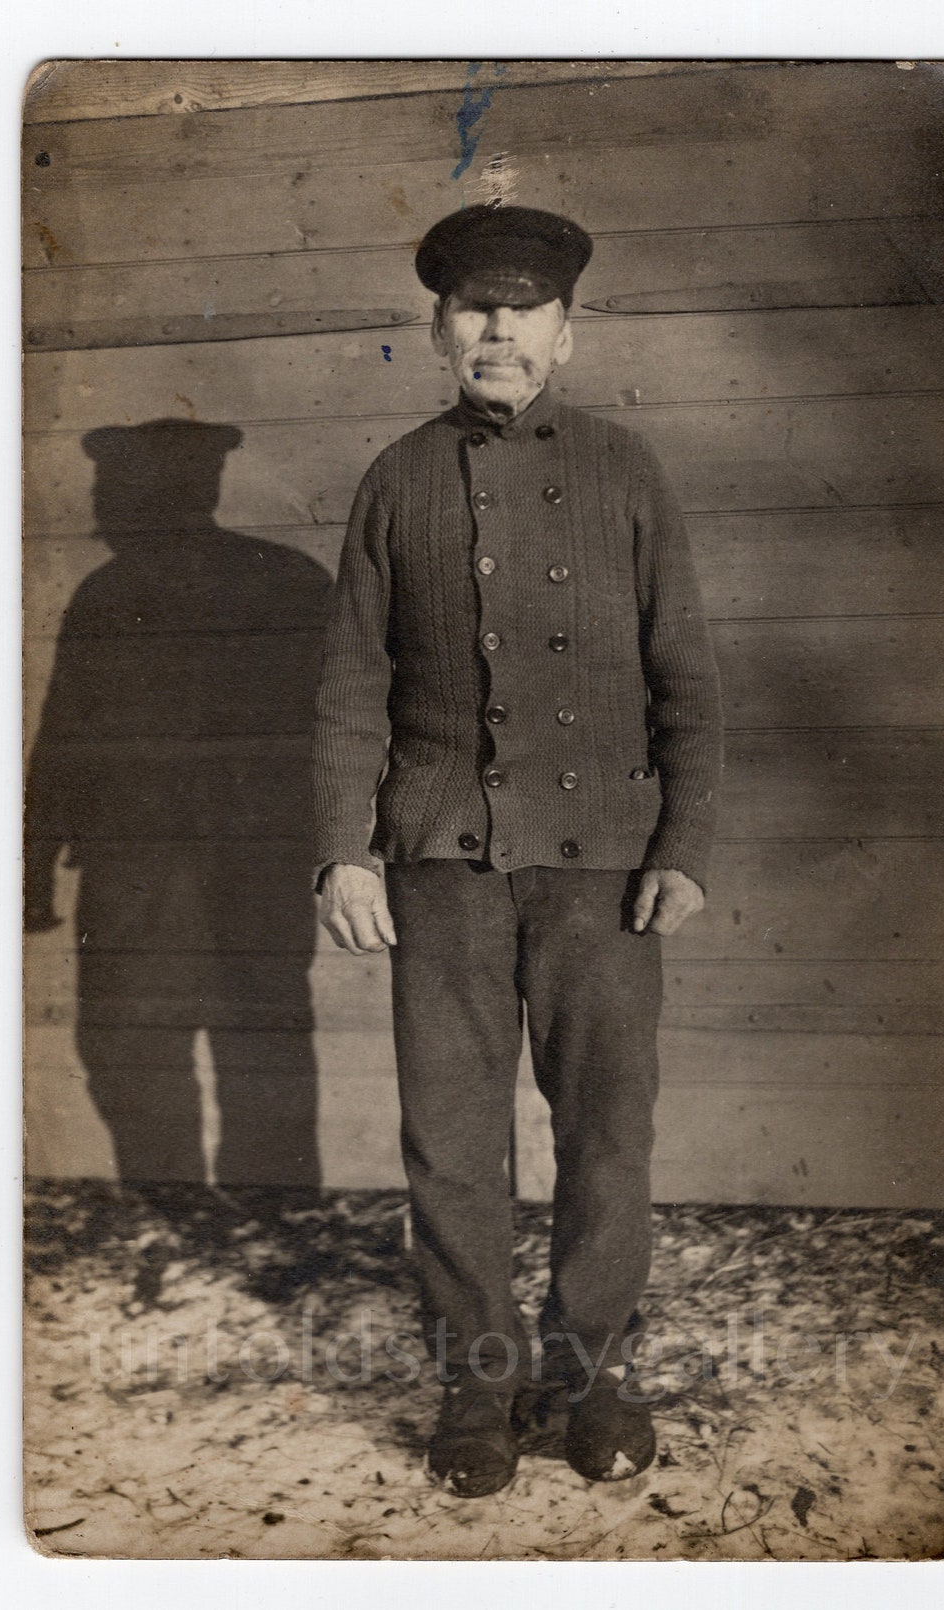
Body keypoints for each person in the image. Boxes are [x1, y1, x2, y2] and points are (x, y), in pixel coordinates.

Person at [312, 204, 723, 1495]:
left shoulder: (628, 475)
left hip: (603, 870)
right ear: (439, 328)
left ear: (566, 329)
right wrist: (347, 850)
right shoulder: (395, 483)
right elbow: (348, 694)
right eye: (473, 309)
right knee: (450, 1137)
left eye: (522, 308)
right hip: (441, 868)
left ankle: (595, 1378)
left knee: (607, 1132)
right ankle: (478, 1388)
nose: (497, 328)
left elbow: (689, 683)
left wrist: (685, 841)